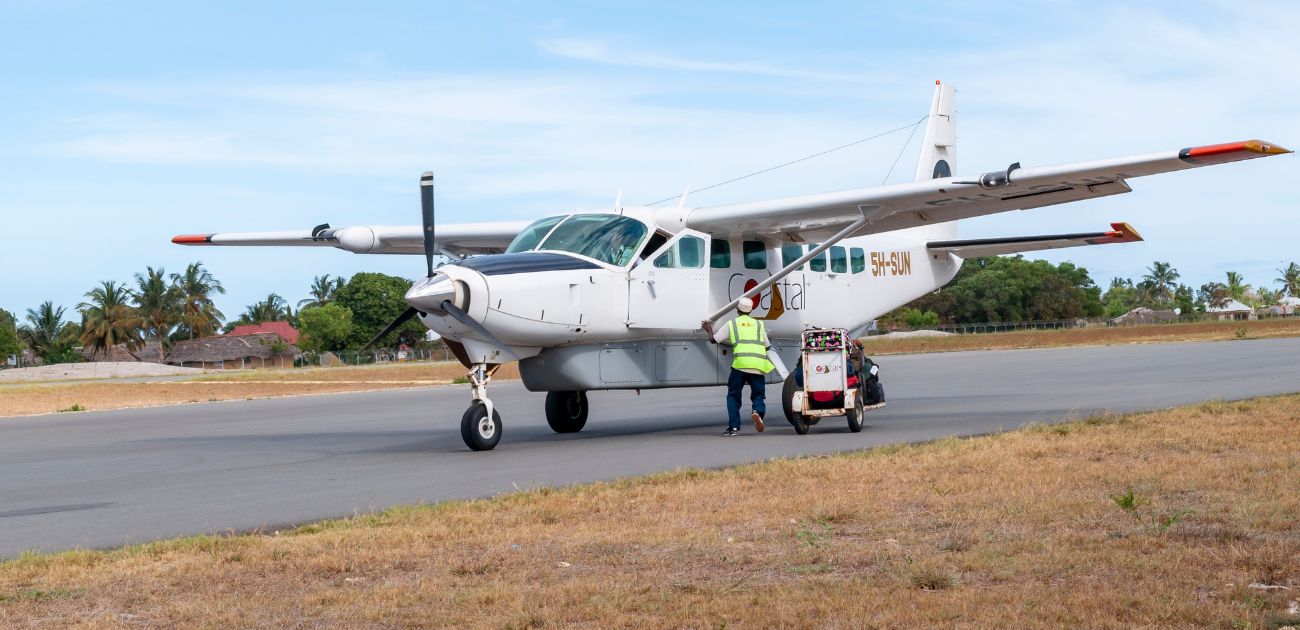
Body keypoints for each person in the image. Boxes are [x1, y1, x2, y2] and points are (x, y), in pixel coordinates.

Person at [701, 296, 774, 436]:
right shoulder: (759, 325)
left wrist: (708, 329)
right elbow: (767, 346)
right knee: (758, 395)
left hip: (740, 365)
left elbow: (713, 339)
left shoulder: (732, 324)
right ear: (751, 310)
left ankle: (734, 428)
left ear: (737, 310)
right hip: (758, 365)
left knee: (733, 396)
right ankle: (756, 411)